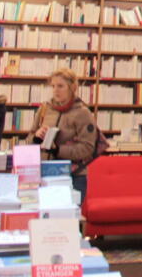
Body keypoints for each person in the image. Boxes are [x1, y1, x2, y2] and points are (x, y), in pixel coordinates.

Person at [29, 68, 97, 196]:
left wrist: (57, 150)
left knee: (70, 208)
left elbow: (88, 148)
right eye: (53, 86)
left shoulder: (82, 112)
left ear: (72, 88)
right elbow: (29, 138)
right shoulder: (45, 109)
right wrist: (36, 137)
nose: (55, 90)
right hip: (45, 172)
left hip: (73, 175)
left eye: (60, 86)